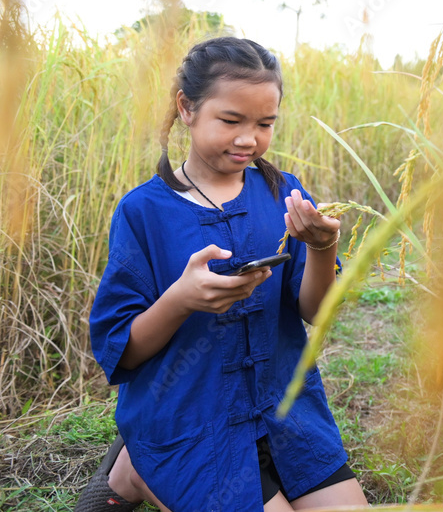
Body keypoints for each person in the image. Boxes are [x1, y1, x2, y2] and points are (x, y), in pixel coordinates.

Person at [76, 37, 369, 511]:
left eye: (265, 123)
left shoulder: (283, 193)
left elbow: (316, 312)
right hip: (192, 423)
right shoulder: (143, 212)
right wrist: (180, 300)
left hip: (287, 417)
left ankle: (137, 468)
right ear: (187, 109)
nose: (249, 138)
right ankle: (136, 465)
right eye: (231, 120)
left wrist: (322, 247)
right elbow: (122, 350)